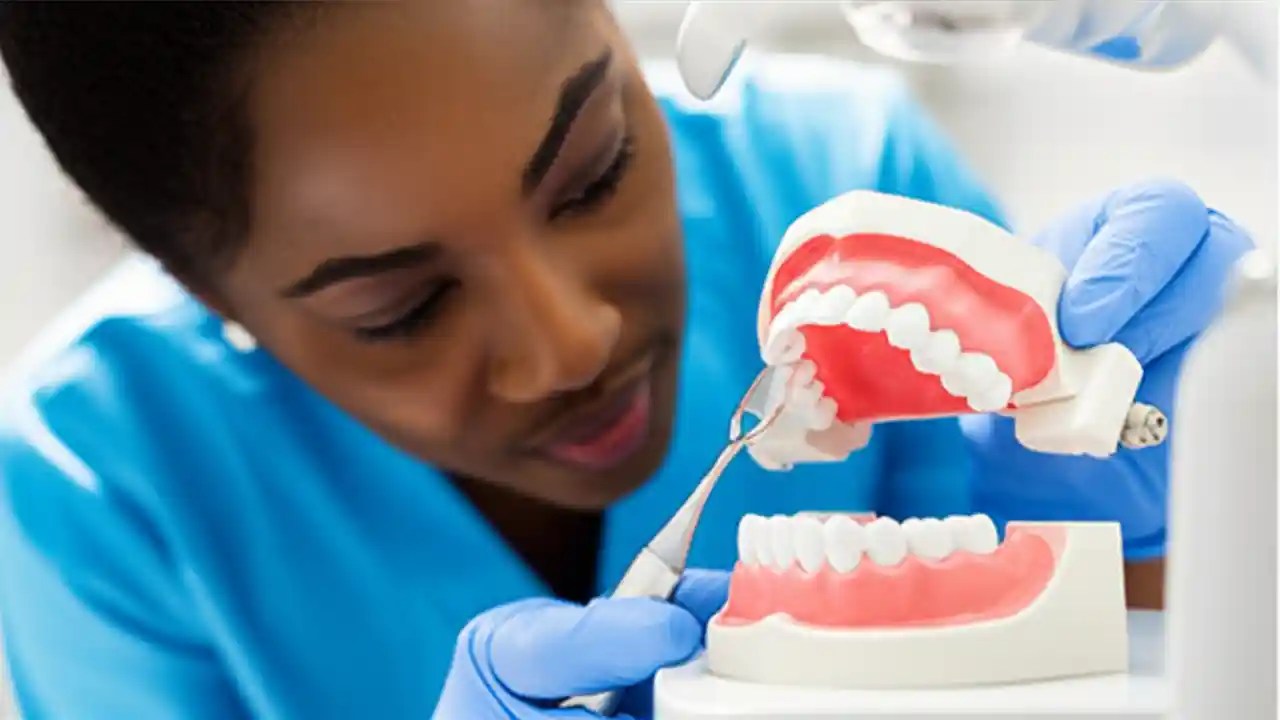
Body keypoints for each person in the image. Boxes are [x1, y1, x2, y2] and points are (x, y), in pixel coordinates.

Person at [0, 3, 1251, 719]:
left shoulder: (834, 175)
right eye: (399, 306)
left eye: (595, 167)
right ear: (207, 294)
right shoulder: (97, 491)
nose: (572, 343)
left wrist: (1154, 551)